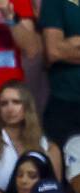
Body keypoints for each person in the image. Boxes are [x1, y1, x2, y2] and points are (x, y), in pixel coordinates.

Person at [0, 80, 62, 191]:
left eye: (16, 102)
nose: (10, 109)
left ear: (27, 106)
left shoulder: (49, 147)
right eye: (4, 104)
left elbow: (54, 191)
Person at [41, 0, 80, 148]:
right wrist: (62, 48)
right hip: (65, 104)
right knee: (59, 165)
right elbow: (54, 51)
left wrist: (72, 43)